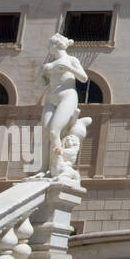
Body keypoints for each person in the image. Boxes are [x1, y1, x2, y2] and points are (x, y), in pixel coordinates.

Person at [39, 33, 88, 177]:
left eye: (50, 44)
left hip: (67, 97)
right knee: (45, 133)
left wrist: (69, 68)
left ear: (57, 45)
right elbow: (43, 84)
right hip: (50, 98)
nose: (49, 47)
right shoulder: (48, 64)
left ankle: (57, 166)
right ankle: (42, 170)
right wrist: (41, 73)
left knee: (55, 131)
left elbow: (83, 78)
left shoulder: (71, 59)